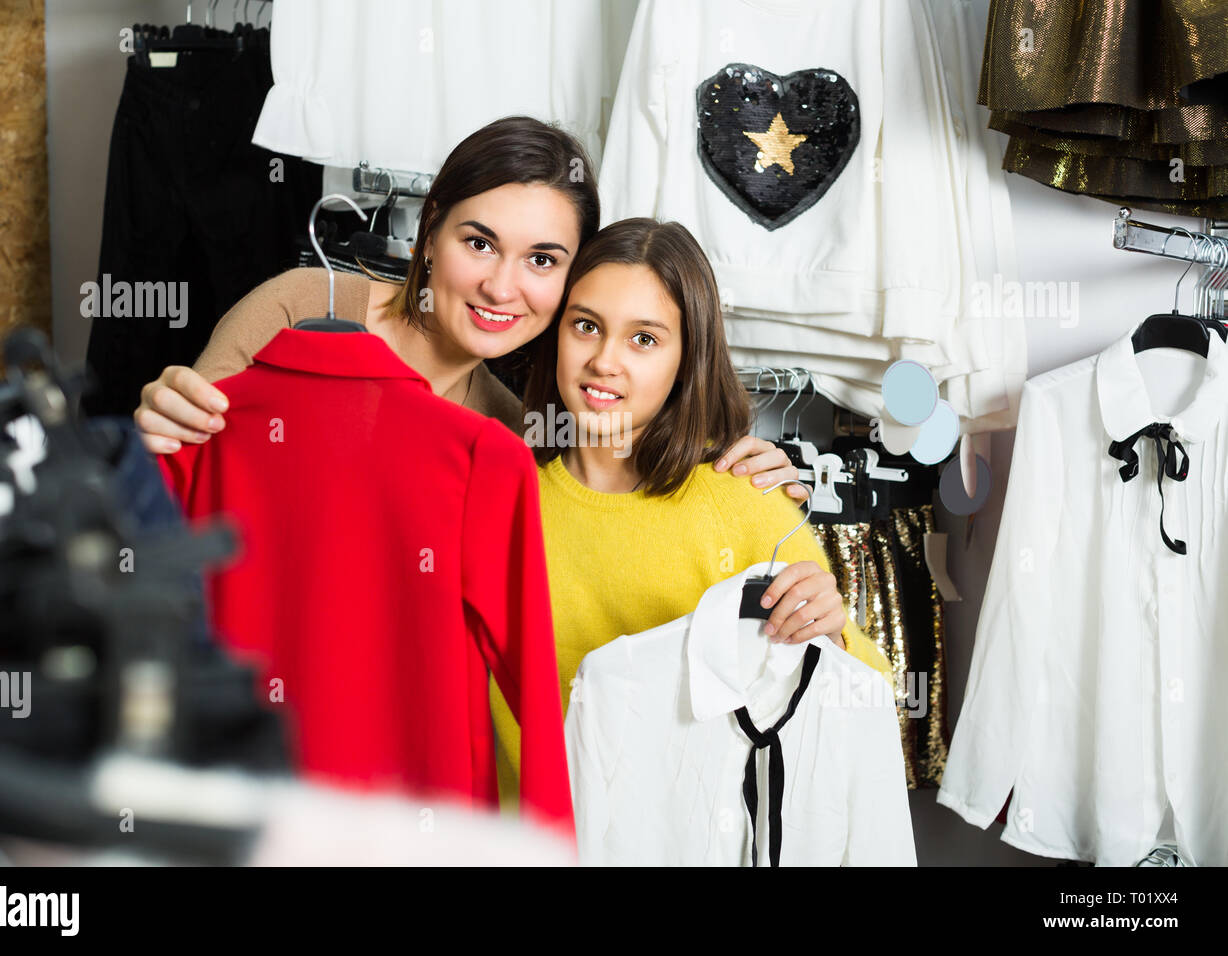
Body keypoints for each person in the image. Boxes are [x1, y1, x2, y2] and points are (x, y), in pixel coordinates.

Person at [134, 116, 807, 492]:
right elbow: (173, 494)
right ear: (430, 231)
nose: (502, 287)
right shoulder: (301, 309)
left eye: (542, 260)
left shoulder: (519, 435)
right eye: (480, 243)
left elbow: (636, 505)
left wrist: (754, 483)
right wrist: (155, 432)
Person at [489, 218, 893, 804]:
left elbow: (868, 701)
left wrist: (832, 633)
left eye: (644, 339)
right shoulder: (499, 503)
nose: (605, 360)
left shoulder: (746, 498)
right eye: (586, 326)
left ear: (688, 358)